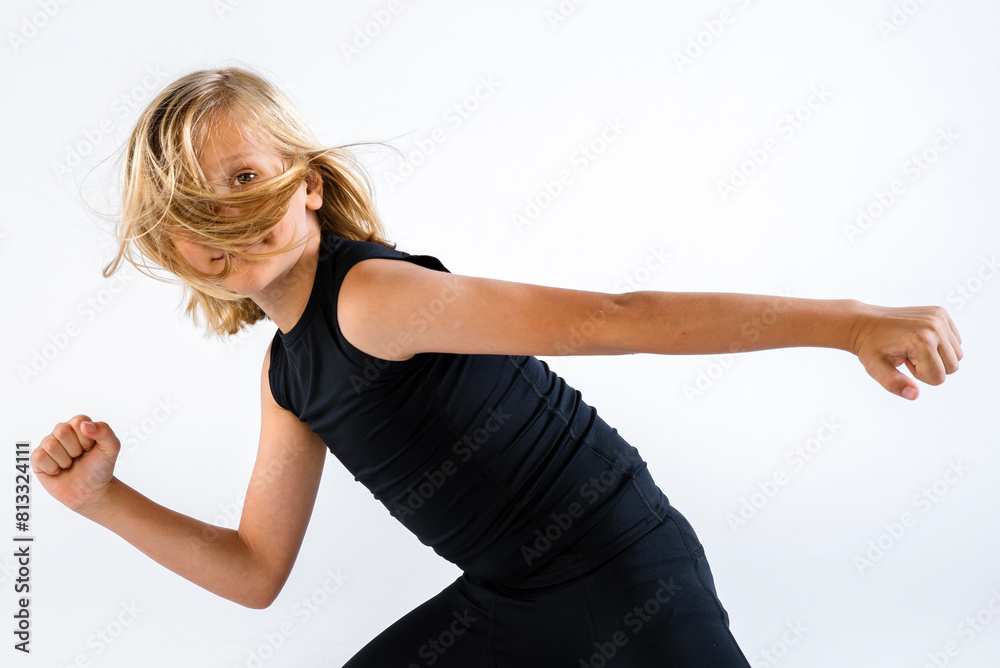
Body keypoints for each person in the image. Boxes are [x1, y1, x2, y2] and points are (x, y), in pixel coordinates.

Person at [32, 67, 963, 667]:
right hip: (513, 604)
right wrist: (104, 501)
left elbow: (614, 319)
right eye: (199, 204)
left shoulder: (369, 297)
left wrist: (851, 322)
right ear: (177, 244)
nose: (230, 214)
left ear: (306, 185)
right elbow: (255, 569)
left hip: (626, 578)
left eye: (245, 179)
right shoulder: (289, 375)